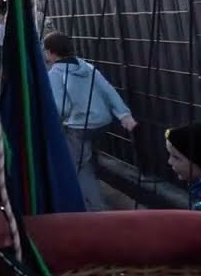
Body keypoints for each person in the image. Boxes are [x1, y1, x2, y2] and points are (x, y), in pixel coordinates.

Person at [43, 31, 136, 211]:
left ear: (50, 52)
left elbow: (61, 108)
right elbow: (107, 89)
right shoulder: (86, 66)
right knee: (88, 159)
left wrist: (55, 122)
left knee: (79, 168)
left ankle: (95, 209)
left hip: (79, 126)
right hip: (102, 122)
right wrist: (124, 115)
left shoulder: (55, 73)